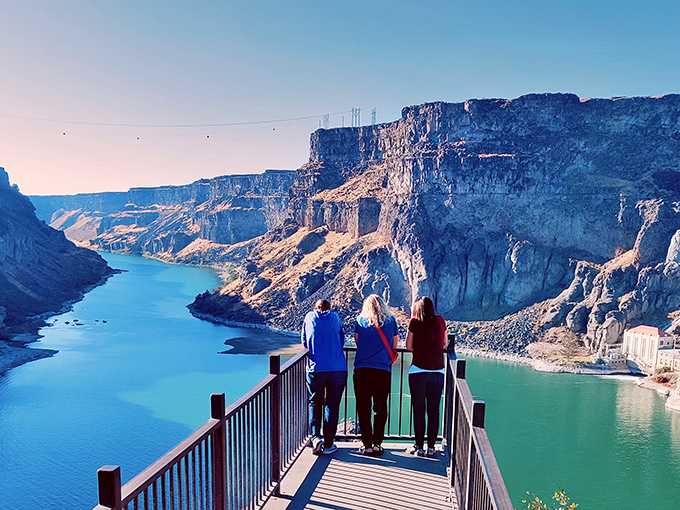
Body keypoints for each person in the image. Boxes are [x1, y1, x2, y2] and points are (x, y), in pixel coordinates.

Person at [353, 294, 399, 456]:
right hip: (382, 370)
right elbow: (394, 344)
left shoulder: (360, 321)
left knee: (363, 407)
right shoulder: (391, 320)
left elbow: (358, 342)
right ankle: (378, 443)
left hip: (362, 370)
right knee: (380, 408)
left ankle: (367, 445)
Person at [301, 299, 347, 455]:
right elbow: (342, 340)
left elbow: (304, 342)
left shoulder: (309, 317)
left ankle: (315, 438)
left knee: (314, 402)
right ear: (329, 308)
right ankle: (329, 444)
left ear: (315, 308)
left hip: (316, 369)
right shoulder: (335, 318)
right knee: (332, 406)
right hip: (338, 369)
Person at [406, 296, 447, 458]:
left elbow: (408, 346)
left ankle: (419, 447)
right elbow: (445, 345)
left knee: (419, 411)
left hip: (418, 372)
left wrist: (420, 350)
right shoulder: (441, 321)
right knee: (434, 411)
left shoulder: (414, 322)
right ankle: (431, 448)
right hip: (437, 372)